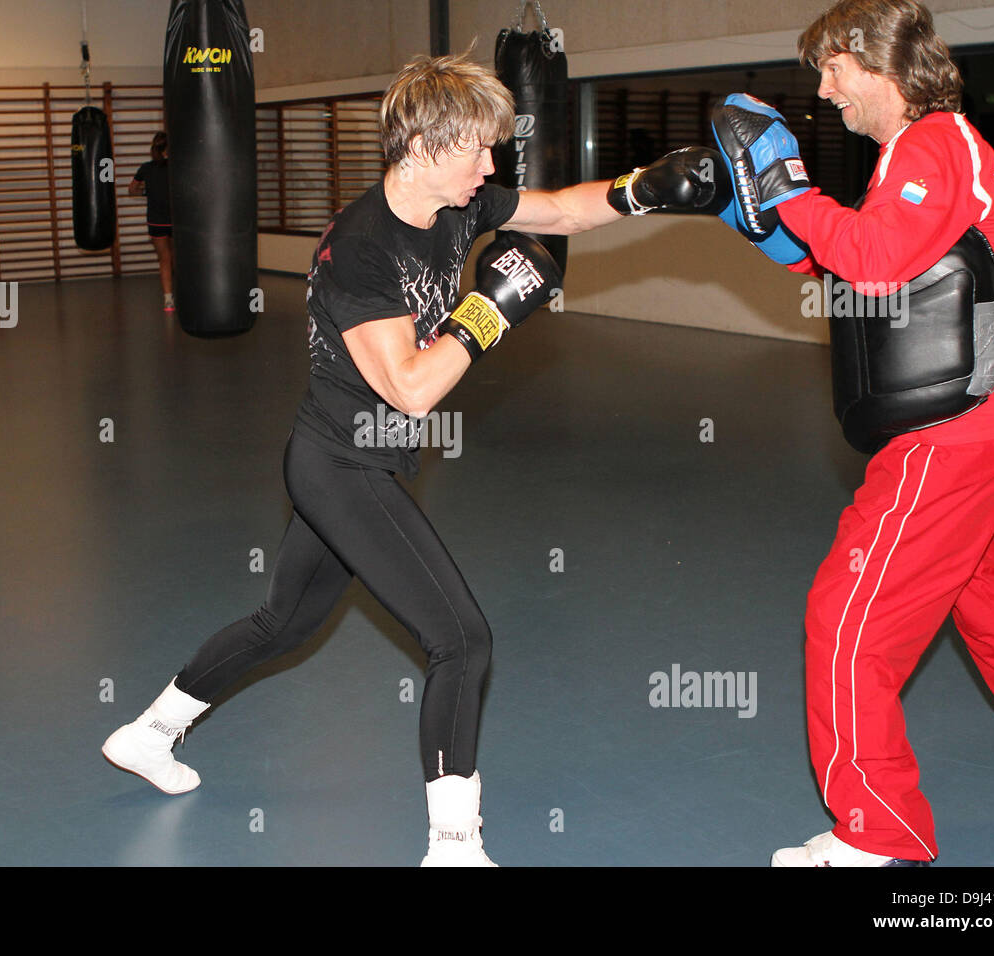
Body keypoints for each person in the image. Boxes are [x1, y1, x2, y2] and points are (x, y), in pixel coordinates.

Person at [102, 48, 724, 866]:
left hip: (370, 461)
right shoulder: (359, 250)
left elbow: (561, 212)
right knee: (462, 640)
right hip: (341, 467)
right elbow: (409, 390)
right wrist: (489, 310)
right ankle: (453, 846)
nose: (490, 166)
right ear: (426, 146)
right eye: (477, 150)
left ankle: (148, 734)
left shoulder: (459, 203)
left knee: (282, 623)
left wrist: (638, 190)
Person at [721, 0, 994, 866]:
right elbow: (876, 261)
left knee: (847, 621)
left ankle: (880, 833)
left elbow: (874, 260)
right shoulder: (926, 151)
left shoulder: (934, 142)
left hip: (953, 431)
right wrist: (770, 226)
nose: (824, 89)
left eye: (832, 68)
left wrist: (790, 188)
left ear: (878, 63)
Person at [129, 131, 174, 311]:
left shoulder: (146, 168)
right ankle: (182, 296)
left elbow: (131, 190)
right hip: (175, 221)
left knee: (164, 260)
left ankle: (168, 300)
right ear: (166, 149)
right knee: (175, 259)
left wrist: (147, 192)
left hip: (156, 221)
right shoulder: (177, 166)